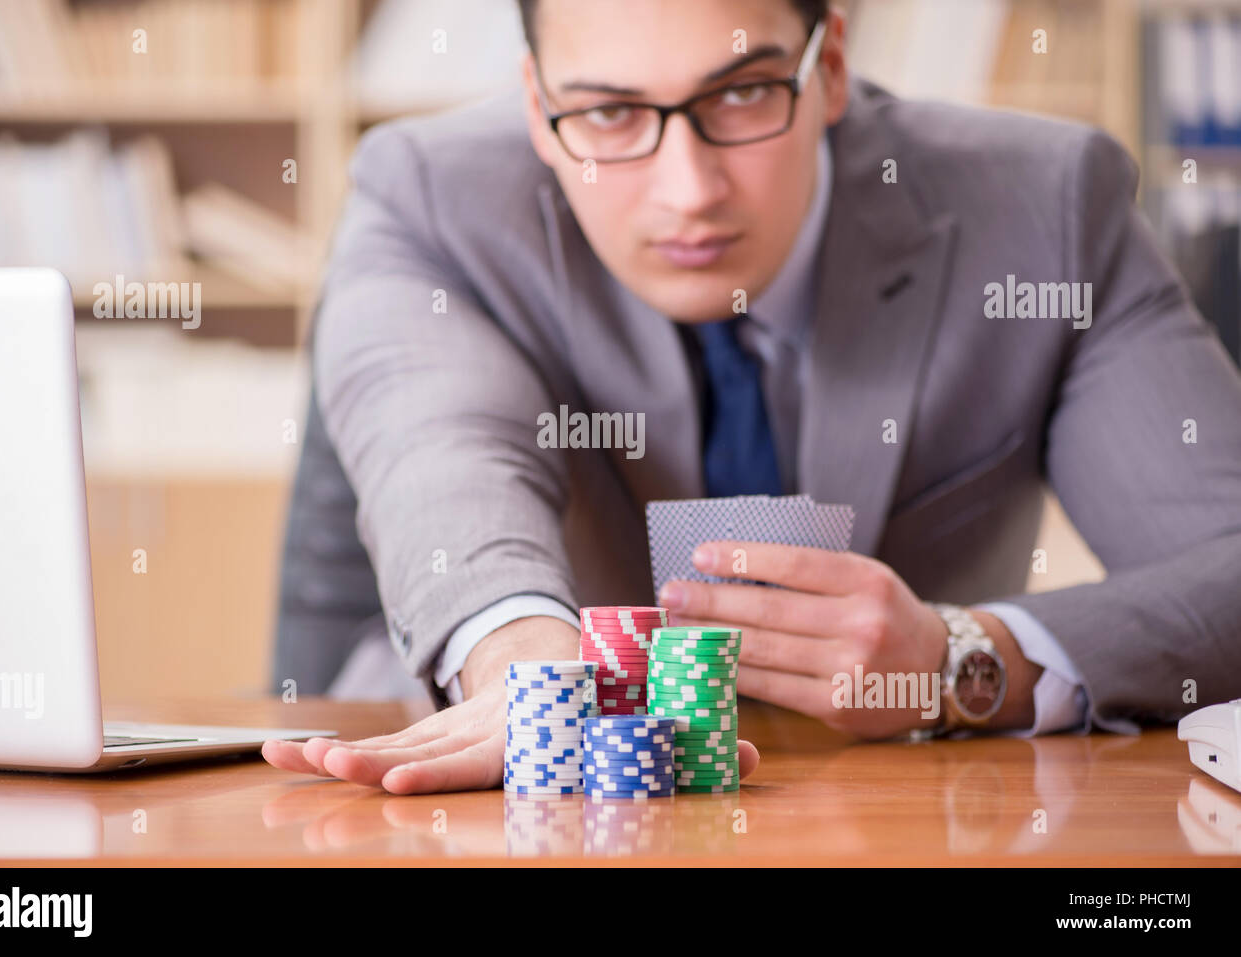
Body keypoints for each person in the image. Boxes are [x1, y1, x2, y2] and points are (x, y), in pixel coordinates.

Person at [262, 0, 1241, 794]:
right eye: (607, 111)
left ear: (830, 66)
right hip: (486, 802)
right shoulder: (427, 200)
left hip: (900, 815)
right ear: (534, 103)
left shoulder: (1046, 208)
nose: (688, 189)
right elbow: (443, 449)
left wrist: (962, 660)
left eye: (742, 94)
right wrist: (526, 667)